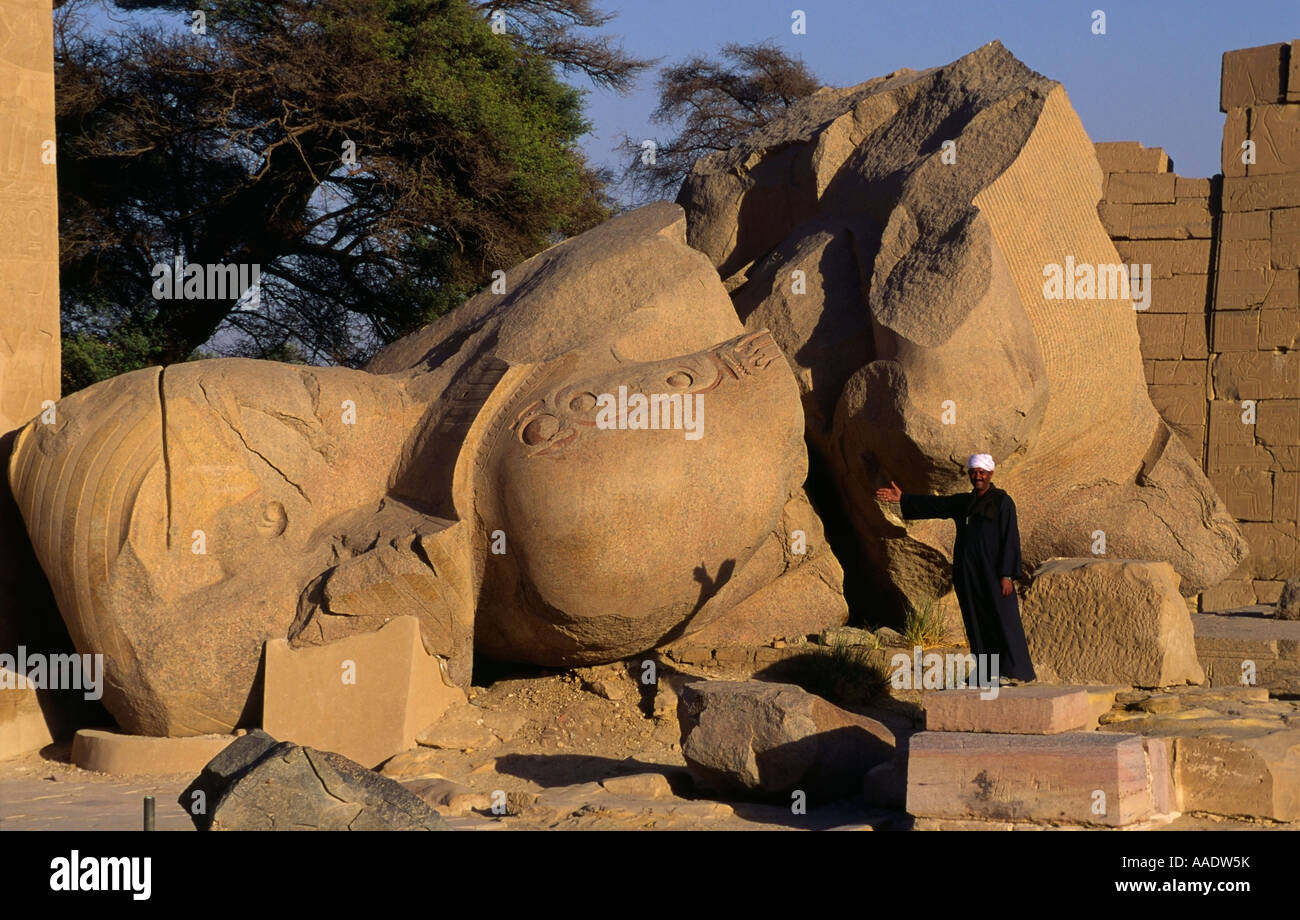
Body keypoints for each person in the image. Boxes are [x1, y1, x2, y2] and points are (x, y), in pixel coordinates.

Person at [874, 453, 1036, 683]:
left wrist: (1007, 575)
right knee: (976, 621)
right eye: (974, 472)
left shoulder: (1002, 502)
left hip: (995, 574)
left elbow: (1011, 539)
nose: (978, 476)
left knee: (1004, 618)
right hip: (968, 574)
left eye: (982, 472)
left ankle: (1018, 672)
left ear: (990, 474)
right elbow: (937, 505)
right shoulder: (964, 502)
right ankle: (986, 672)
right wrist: (903, 499)